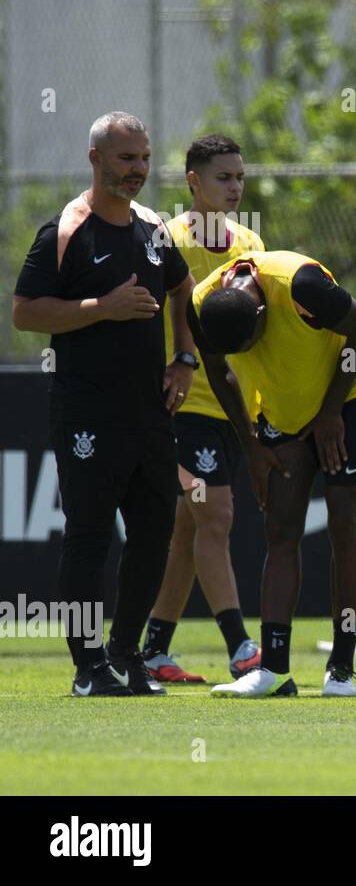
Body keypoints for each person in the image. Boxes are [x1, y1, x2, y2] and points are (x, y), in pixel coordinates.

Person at [12, 111, 196, 696]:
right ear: (95, 159)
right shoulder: (66, 230)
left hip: (150, 411)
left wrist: (184, 358)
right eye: (126, 158)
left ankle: (125, 655)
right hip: (87, 413)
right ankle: (88, 668)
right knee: (88, 535)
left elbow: (182, 287)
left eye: (144, 158)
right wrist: (100, 307)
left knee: (153, 532)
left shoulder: (153, 227)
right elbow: (26, 311)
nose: (138, 169)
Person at [187, 250, 356, 697]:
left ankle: (342, 669)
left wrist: (332, 409)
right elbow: (219, 373)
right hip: (281, 413)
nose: (248, 352)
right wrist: (249, 446)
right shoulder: (202, 305)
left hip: (348, 399)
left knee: (344, 526)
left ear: (260, 312)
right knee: (280, 529)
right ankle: (273, 671)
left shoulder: (300, 284)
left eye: (252, 341)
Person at [140, 135, 263, 684]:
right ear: (193, 181)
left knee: (190, 529)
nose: (235, 186)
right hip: (183, 405)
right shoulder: (166, 238)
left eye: (239, 177)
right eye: (223, 177)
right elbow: (164, 314)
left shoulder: (250, 240)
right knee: (215, 514)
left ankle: (153, 650)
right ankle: (241, 648)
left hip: (234, 407)